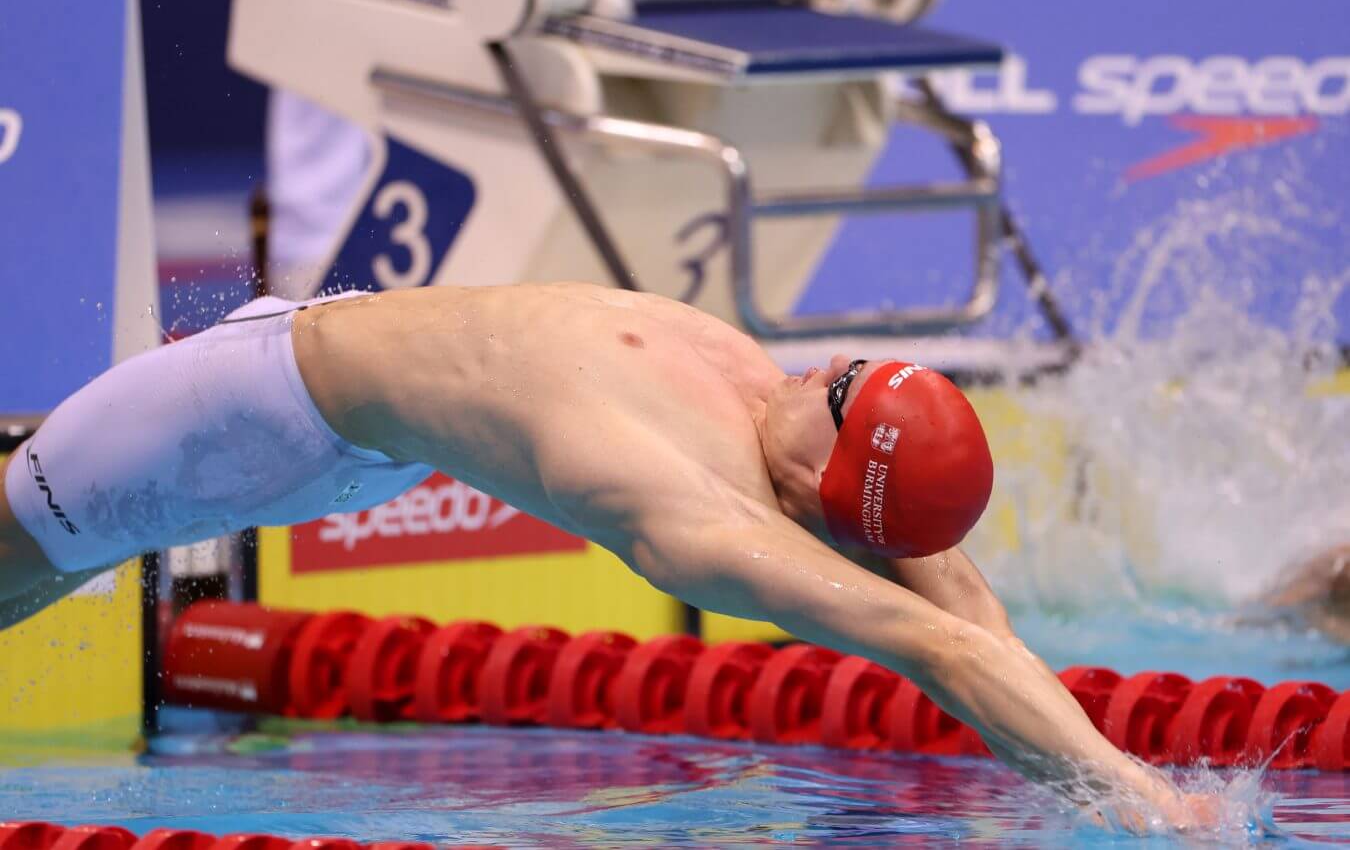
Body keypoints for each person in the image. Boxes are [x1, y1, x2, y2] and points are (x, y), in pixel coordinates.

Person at [0, 282, 1218, 831]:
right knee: (30, 573)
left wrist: (1137, 801)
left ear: (824, 487)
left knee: (14, 560)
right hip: (336, 388)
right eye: (854, 365)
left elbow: (941, 637)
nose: (825, 359)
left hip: (252, 409)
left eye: (840, 391)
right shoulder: (772, 404)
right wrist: (1118, 774)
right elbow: (954, 608)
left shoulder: (684, 510)